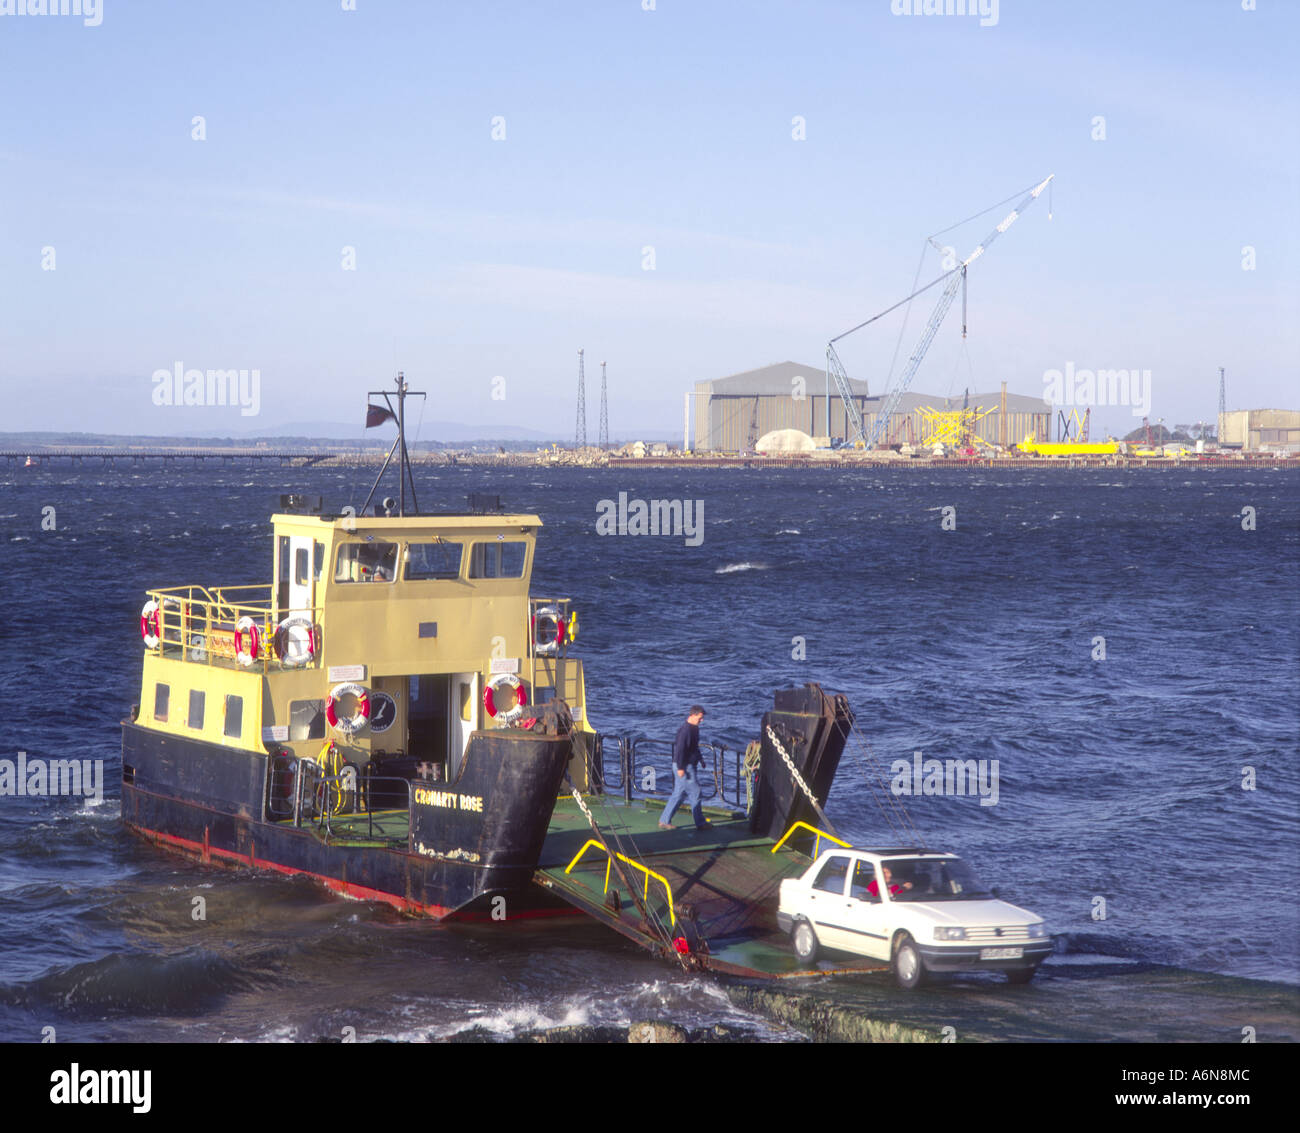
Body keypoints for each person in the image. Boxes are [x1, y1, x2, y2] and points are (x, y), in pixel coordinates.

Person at [659, 706, 708, 831]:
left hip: (688, 765)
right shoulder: (685, 730)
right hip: (684, 766)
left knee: (678, 794)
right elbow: (680, 749)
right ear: (693, 715)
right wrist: (681, 767)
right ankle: (700, 823)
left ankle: (664, 820)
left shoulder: (694, 729)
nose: (701, 720)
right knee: (696, 792)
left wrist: (701, 759)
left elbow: (694, 747)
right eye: (700, 718)